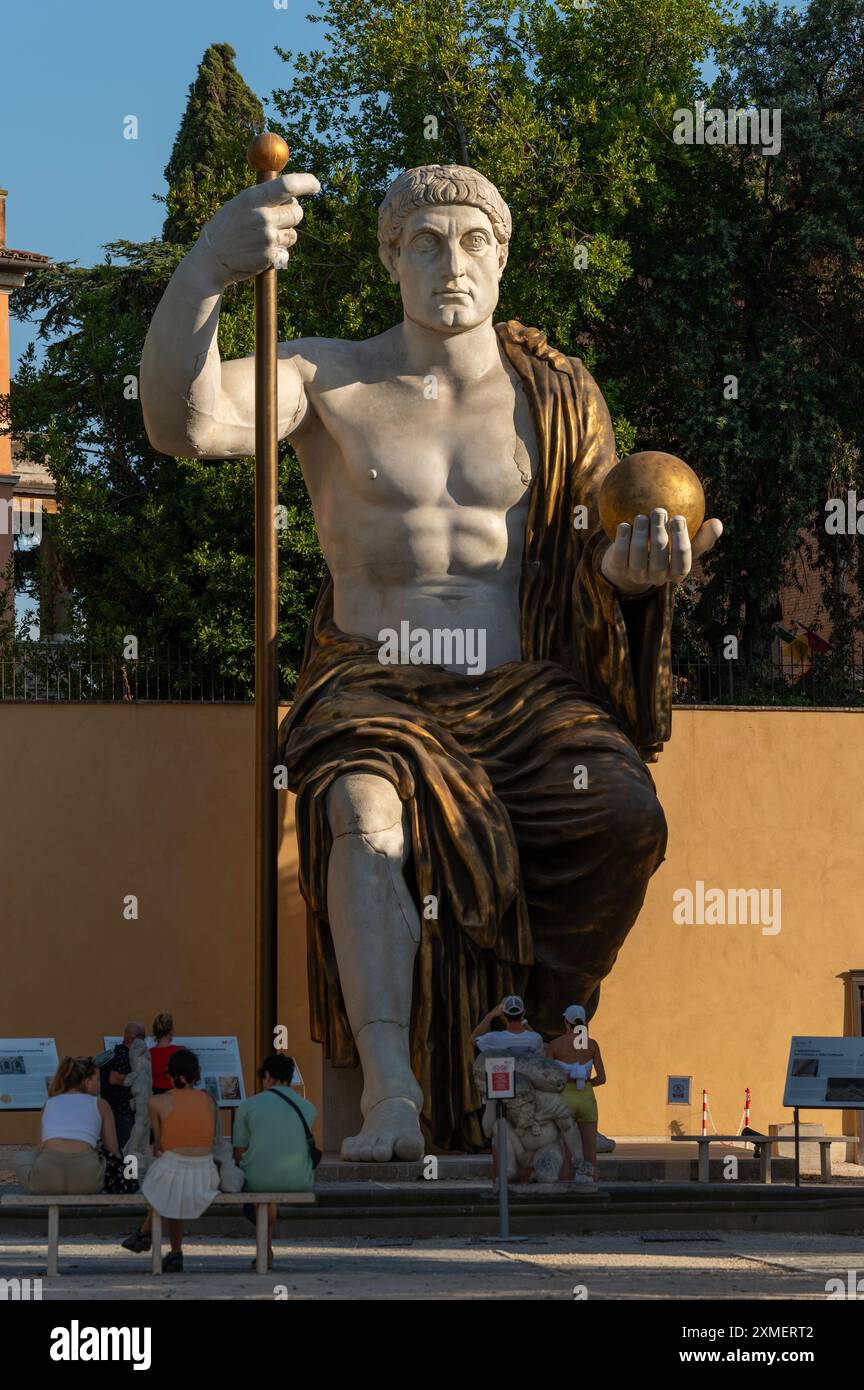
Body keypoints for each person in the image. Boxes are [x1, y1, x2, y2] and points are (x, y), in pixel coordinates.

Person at [140, 161, 722, 1160]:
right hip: (372, 683)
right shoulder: (329, 375)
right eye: (426, 243)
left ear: (503, 259)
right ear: (390, 258)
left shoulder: (559, 394)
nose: (452, 263)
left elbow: (590, 560)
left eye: (474, 243)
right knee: (365, 820)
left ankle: (541, 1038)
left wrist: (632, 576)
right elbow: (182, 422)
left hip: (524, 696)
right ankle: (392, 1092)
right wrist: (205, 273)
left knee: (625, 812)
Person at [120, 1048, 219, 1272]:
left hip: (173, 1170)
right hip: (205, 1174)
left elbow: (160, 1144)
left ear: (169, 1075)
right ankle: (175, 1252)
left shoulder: (156, 1102)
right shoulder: (209, 1100)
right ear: (197, 1074)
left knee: (168, 1178)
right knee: (173, 1185)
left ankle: (145, 1232)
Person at [232, 1054, 318, 1271]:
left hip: (259, 1178)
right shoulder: (309, 1108)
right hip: (299, 1178)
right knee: (269, 1190)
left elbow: (239, 1152)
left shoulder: (247, 1106)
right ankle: (266, 1249)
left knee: (261, 1184)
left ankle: (265, 1249)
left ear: (268, 1076)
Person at [16, 1057, 120, 1194]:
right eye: (98, 1079)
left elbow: (41, 1148)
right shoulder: (101, 1105)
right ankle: (129, 1186)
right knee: (130, 1158)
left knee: (20, 1158)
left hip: (47, 1181)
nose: (100, 1084)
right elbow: (113, 1150)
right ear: (87, 1082)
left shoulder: (49, 1104)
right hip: (87, 1181)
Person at [546, 1004, 606, 1180]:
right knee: (590, 1149)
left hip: (564, 1098)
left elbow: (547, 1077)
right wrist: (587, 1084)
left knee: (565, 1150)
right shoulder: (592, 1044)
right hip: (586, 1097)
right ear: (584, 1023)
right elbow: (602, 1078)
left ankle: (564, 1190)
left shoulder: (555, 1044)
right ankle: (592, 1186)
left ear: (566, 1022)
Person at [101, 1022, 145, 1150]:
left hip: (112, 1110)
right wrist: (136, 1078)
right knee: (127, 1151)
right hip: (124, 1112)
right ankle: (129, 1171)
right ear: (136, 1038)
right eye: (143, 1038)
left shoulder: (112, 1053)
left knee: (114, 1150)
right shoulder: (124, 1054)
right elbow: (113, 1078)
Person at [472, 996, 544, 1055]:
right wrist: (525, 1022)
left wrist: (490, 1015)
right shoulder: (536, 1038)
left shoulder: (494, 1038)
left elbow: (473, 1039)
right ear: (523, 1013)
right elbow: (536, 1038)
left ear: (502, 1014)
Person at [149, 1012, 180, 1095]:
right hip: (174, 1097)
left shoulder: (147, 1054)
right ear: (171, 1031)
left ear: (154, 1031)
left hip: (154, 1098)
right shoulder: (178, 1052)